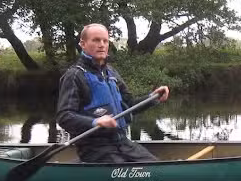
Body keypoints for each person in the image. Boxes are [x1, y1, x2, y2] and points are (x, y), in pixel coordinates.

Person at [57, 23, 169, 163]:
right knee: (129, 171)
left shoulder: (111, 72)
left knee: (155, 166)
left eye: (105, 41)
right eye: (96, 40)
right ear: (83, 44)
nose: (102, 45)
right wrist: (95, 121)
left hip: (123, 143)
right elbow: (64, 116)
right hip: (95, 149)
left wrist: (153, 97)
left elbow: (129, 104)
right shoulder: (74, 76)